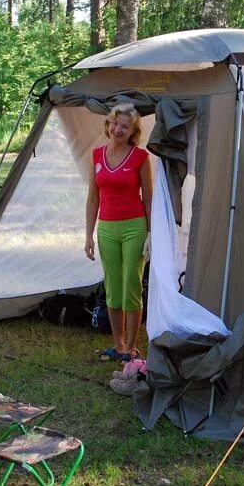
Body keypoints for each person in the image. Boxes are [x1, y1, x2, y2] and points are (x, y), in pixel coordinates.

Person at [85, 103, 152, 364]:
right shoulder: (97, 155)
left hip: (135, 226)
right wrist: (88, 235)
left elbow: (148, 196)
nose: (118, 129)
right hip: (106, 228)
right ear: (108, 125)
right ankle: (118, 344)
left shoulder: (140, 157)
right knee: (112, 288)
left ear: (133, 131)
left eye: (125, 126)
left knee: (131, 287)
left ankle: (131, 348)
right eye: (115, 123)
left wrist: (151, 232)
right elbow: (93, 199)